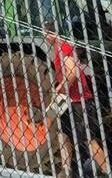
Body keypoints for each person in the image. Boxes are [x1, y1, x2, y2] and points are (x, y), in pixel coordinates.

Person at [44, 23, 109, 176]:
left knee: (88, 139)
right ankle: (66, 170)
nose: (44, 37)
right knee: (62, 134)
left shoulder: (63, 47)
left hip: (78, 102)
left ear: (50, 33)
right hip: (67, 100)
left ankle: (107, 171)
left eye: (45, 33)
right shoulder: (60, 47)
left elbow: (72, 72)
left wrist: (60, 88)